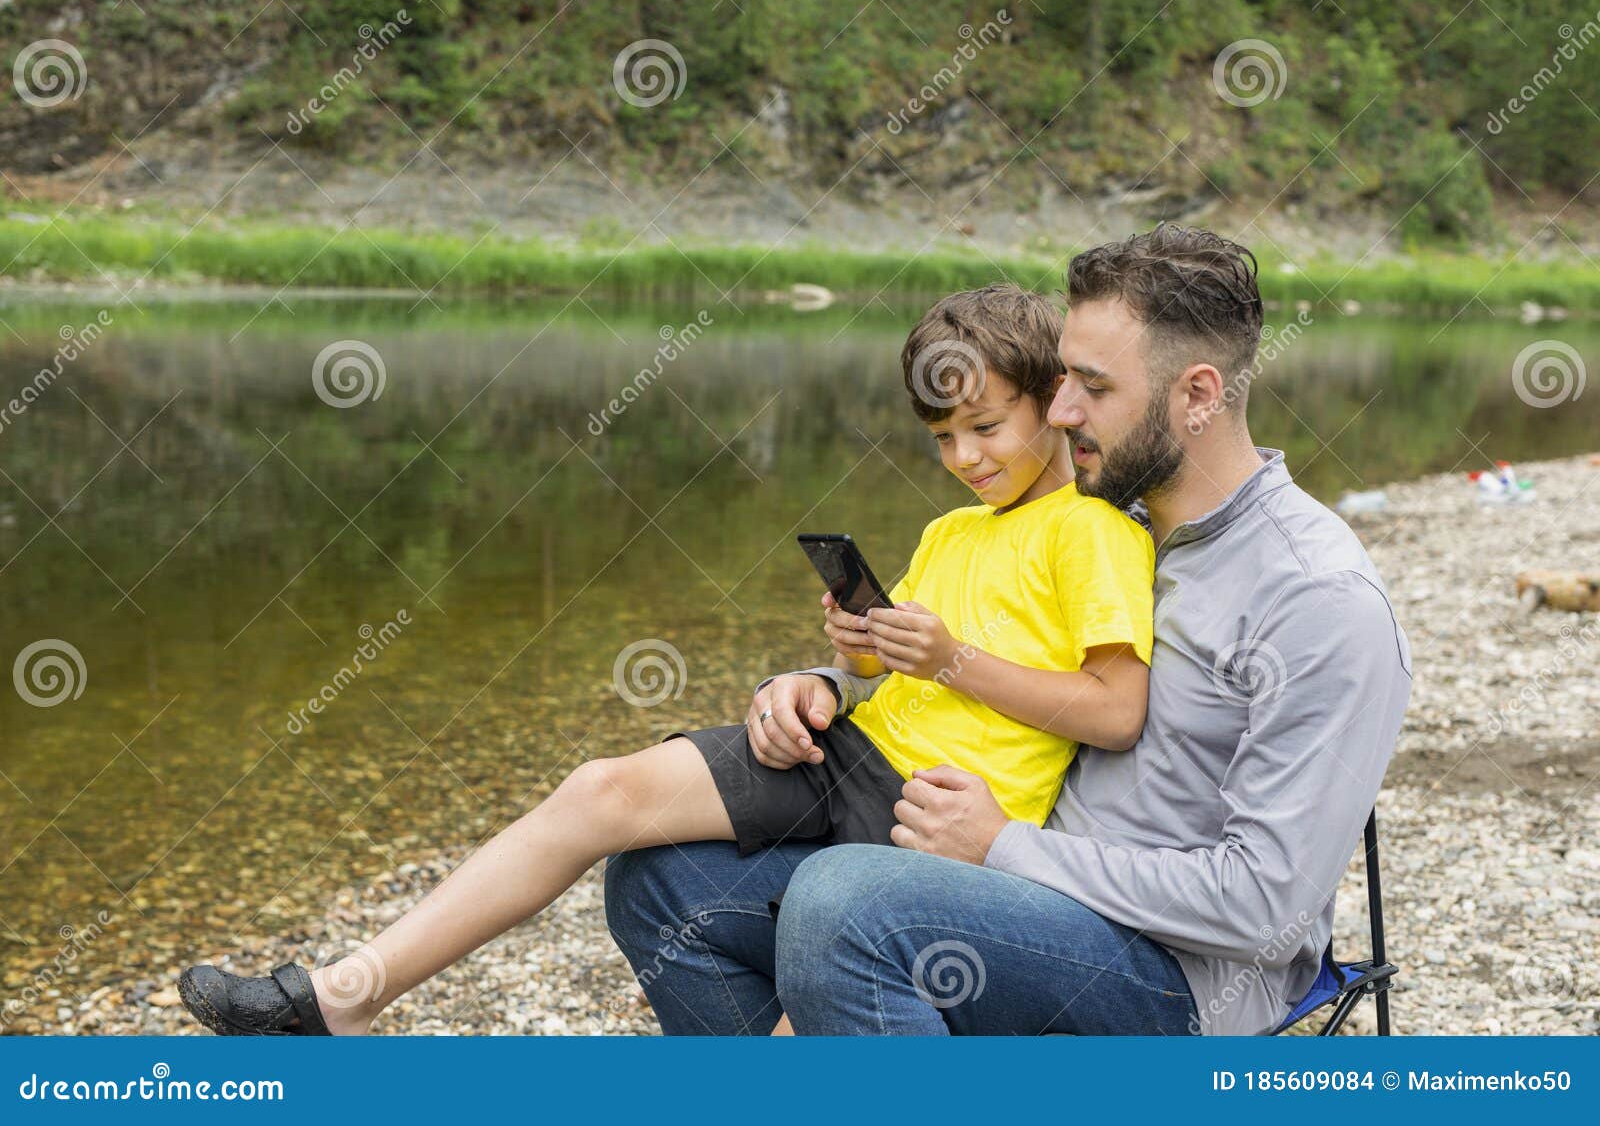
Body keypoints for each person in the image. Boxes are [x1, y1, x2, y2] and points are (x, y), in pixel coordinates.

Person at [174, 284, 1156, 1036]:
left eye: (986, 427)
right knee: (603, 792)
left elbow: (1112, 709)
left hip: (933, 811)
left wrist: (947, 658)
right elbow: (897, 671)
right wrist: (830, 670)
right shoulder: (953, 530)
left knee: (805, 1025)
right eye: (944, 436)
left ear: (1054, 401)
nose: (966, 456)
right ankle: (339, 997)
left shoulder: (1092, 531)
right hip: (851, 753)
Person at [606, 223, 1413, 1036]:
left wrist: (1003, 846)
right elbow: (968, 661)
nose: (1060, 410)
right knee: (660, 877)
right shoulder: (1106, 520)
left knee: (843, 904)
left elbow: (1261, 904)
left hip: (1177, 975)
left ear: (1198, 395)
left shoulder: (1318, 600)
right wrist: (828, 682)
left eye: (1091, 387)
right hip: (1013, 889)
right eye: (1063, 378)